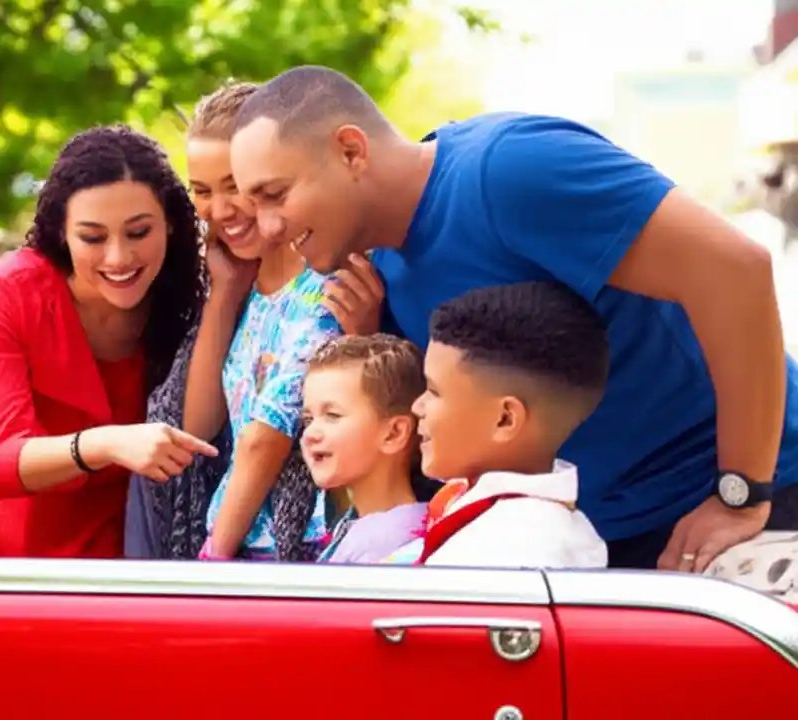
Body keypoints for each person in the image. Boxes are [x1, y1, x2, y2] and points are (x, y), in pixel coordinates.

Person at [228, 65, 798, 571]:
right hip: (599, 541)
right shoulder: (375, 269)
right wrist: (374, 339)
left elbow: (735, 272)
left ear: (351, 151)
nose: (268, 226)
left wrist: (741, 490)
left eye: (275, 194)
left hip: (745, 506)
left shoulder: (510, 170)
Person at [124, 82, 384, 561]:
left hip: (299, 549)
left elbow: (265, 438)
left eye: (234, 187)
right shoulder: (243, 290)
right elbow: (198, 427)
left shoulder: (323, 287)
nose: (220, 210)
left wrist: (212, 561)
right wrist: (223, 294)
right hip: (243, 545)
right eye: (202, 191)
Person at [0, 125, 218, 559]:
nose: (118, 258)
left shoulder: (192, 298)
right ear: (62, 234)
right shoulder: (5, 292)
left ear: (169, 223)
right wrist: (105, 444)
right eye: (93, 238)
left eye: (139, 233)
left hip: (129, 572)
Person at [403, 282, 609, 568]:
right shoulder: (484, 513)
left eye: (434, 391)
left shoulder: (513, 552)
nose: (417, 407)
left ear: (505, 419)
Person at [301, 334, 429, 564]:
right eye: (308, 419)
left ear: (394, 433)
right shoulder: (364, 528)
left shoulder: (382, 547)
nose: (310, 434)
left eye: (332, 416)